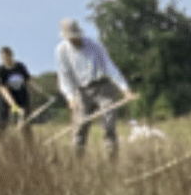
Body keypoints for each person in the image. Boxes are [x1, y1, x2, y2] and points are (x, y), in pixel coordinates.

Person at [54, 19, 135, 158]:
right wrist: (70, 98)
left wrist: (124, 89)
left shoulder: (94, 45)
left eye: (76, 37)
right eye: (71, 38)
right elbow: (64, 76)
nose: (75, 40)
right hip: (82, 91)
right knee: (80, 127)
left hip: (103, 87)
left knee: (109, 124)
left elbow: (110, 67)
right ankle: (76, 160)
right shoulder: (61, 51)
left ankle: (112, 157)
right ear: (66, 37)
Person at [0, 46, 31, 135]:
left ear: (11, 56)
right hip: (6, 99)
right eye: (2, 58)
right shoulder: (1, 70)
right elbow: (4, 90)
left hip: (21, 96)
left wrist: (44, 93)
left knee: (25, 125)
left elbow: (29, 81)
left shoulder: (20, 67)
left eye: (6, 57)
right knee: (1, 124)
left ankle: (30, 146)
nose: (4, 60)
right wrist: (15, 108)